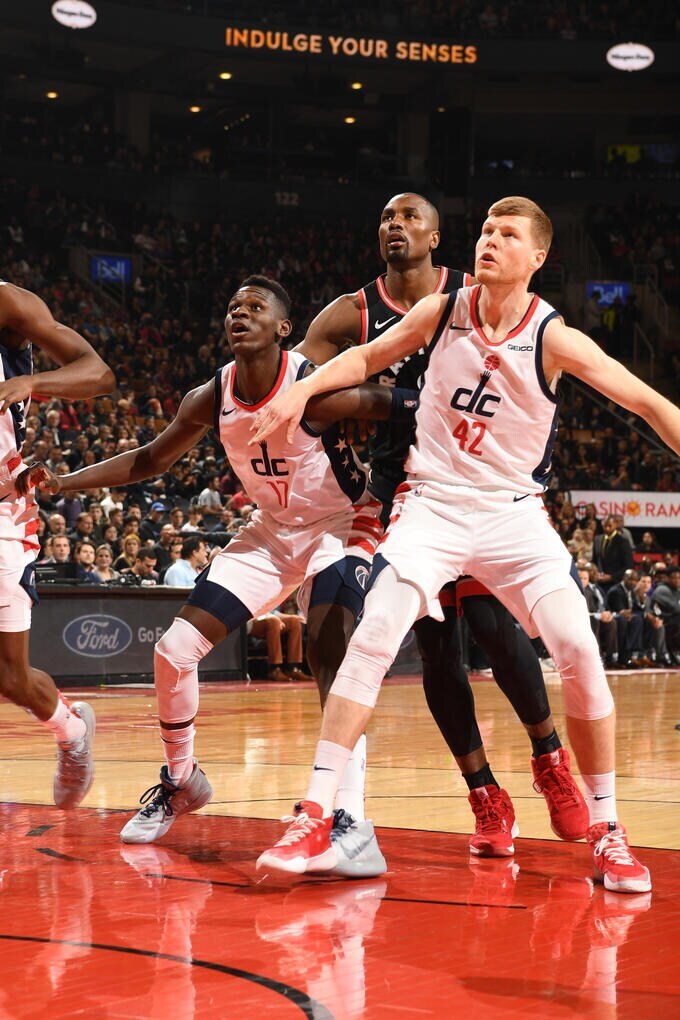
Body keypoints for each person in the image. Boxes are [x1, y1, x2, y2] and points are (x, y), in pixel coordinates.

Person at [252, 195, 678, 893]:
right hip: (432, 505)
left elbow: (649, 403)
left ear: (537, 257)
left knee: (576, 647)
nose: (489, 240)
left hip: (512, 514)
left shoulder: (553, 337)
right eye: (484, 229)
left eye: (507, 234)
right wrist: (299, 394)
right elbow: (364, 356)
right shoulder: (443, 310)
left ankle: (608, 830)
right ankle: (314, 813)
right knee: (376, 630)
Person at [23, 276, 407, 872]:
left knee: (329, 648)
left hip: (342, 523)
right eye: (232, 306)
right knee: (174, 650)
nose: (240, 312)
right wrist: (66, 482)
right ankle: (183, 781)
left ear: (284, 328)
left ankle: (348, 816)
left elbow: (389, 405)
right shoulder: (212, 394)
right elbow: (151, 459)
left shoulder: (313, 384)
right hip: (273, 532)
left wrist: (443, 401)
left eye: (255, 307)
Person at [293, 191, 585, 856]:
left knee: (494, 627)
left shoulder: (471, 291)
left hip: (481, 483)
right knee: (436, 651)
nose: (395, 225)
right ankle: (482, 790)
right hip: (403, 487)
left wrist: (381, 399)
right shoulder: (352, 311)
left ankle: (549, 755)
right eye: (385, 216)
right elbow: (311, 382)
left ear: (436, 236)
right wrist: (378, 400)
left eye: (410, 217)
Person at [0, 279, 113, 807]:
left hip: (2, 509)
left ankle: (71, 731)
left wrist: (32, 383)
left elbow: (97, 372)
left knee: (8, 674)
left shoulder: (8, 302)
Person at [248, 609, 314, 682]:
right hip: (252, 620)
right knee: (273, 621)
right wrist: (272, 616)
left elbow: (271, 610)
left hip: (268, 615)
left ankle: (292, 668)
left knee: (294, 622)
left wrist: (288, 616)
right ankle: (274, 669)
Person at [593, 515, 633, 590]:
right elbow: (595, 560)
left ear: (615, 525)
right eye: (605, 526)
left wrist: (612, 577)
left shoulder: (623, 542)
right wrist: (596, 573)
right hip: (599, 582)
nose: (607, 528)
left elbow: (629, 565)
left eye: (609, 526)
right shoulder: (597, 540)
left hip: (615, 583)